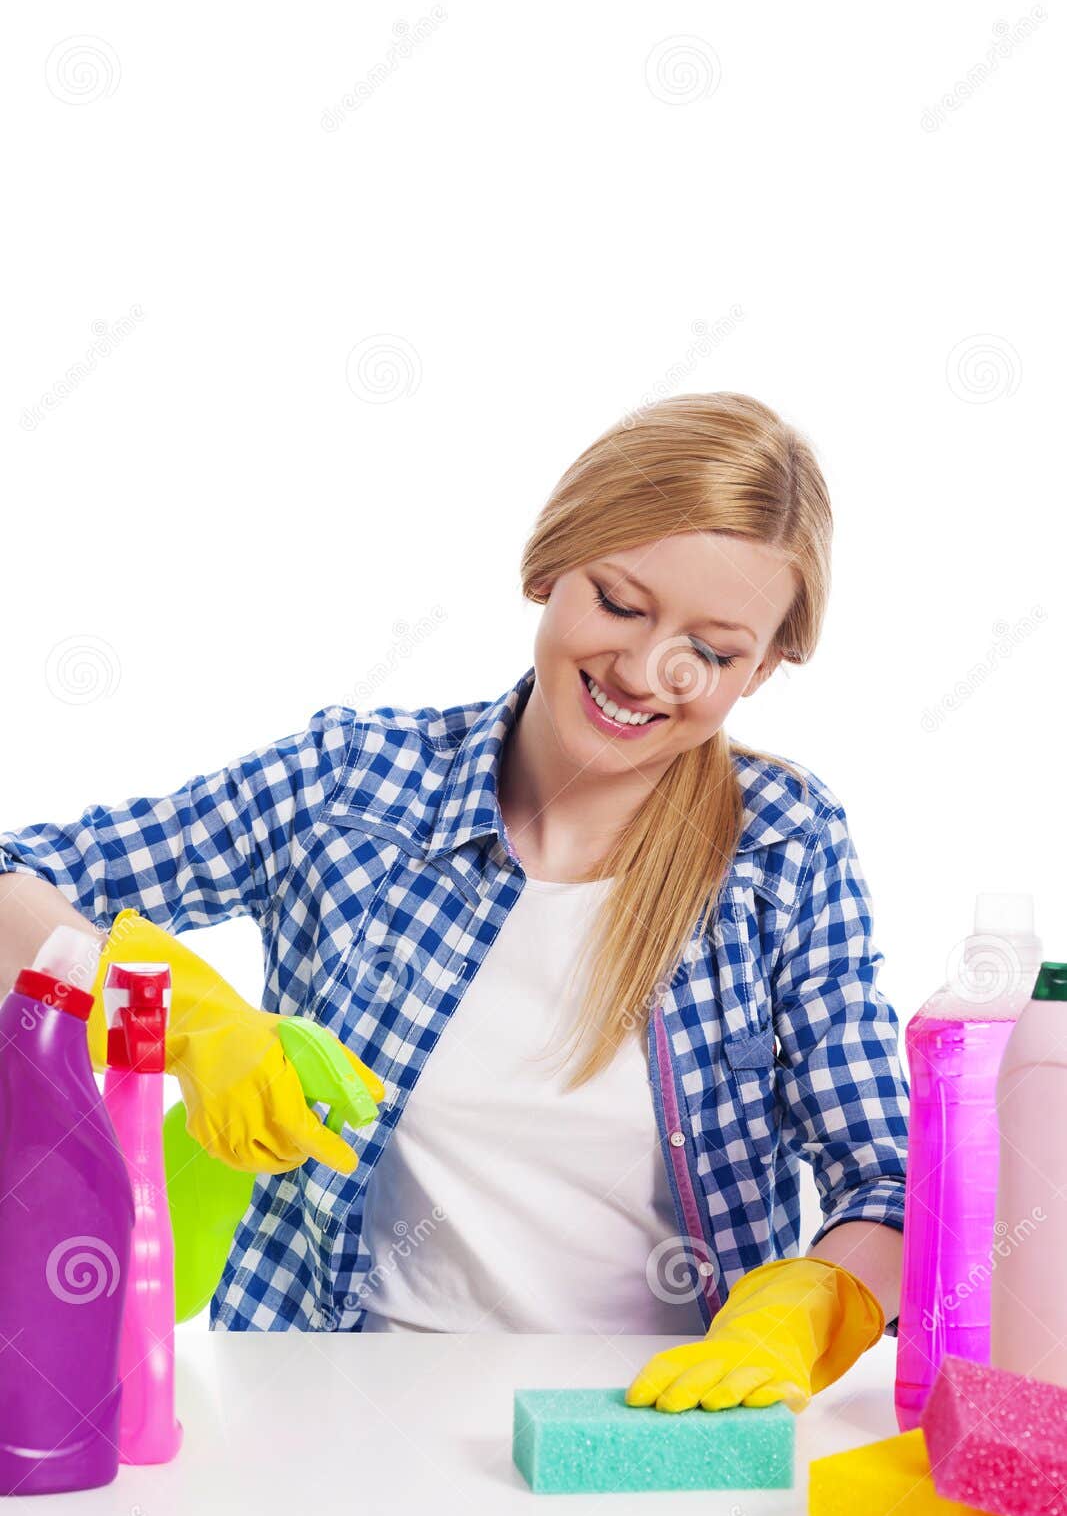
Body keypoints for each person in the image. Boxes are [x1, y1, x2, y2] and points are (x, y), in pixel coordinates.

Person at [0, 392, 907, 1412]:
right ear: (546, 568)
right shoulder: (349, 786)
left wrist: (810, 1307)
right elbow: (12, 877)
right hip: (334, 1425)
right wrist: (186, 1019)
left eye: (714, 649)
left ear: (765, 665)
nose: (649, 671)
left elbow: (888, 1182)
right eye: (618, 602)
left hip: (660, 1437)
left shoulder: (780, 844)